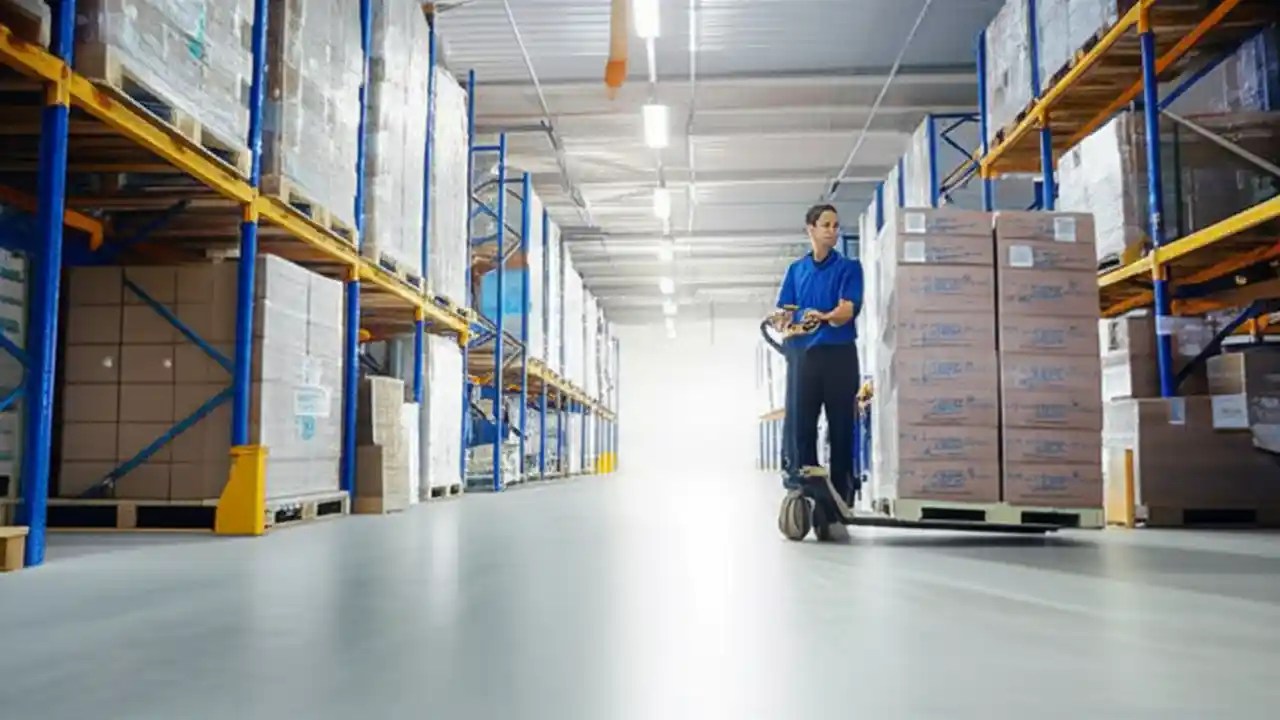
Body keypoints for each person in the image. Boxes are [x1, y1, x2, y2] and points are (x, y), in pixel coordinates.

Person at [773, 203, 863, 541]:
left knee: (841, 428)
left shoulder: (850, 269)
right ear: (810, 229)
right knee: (801, 427)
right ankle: (800, 489)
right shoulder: (796, 271)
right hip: (803, 356)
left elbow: (847, 311)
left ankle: (839, 499)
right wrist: (785, 320)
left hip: (839, 356)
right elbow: (786, 312)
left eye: (836, 225)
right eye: (826, 225)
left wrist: (821, 317)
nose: (833, 231)